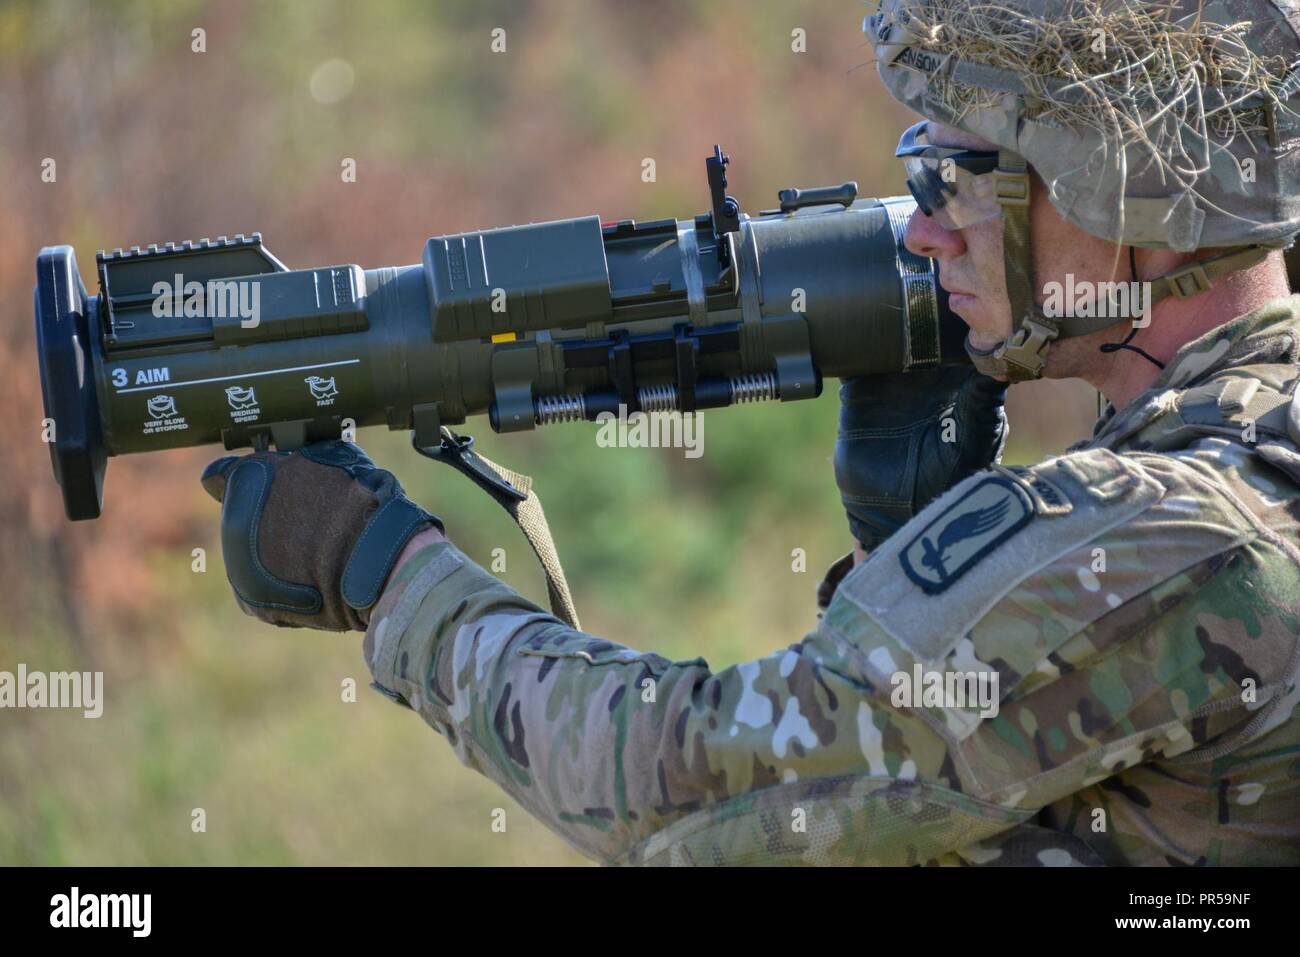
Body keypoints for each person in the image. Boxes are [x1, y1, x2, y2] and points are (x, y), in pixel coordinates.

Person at [201, 0, 1300, 865]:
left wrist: (394, 578)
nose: (920, 230)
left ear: (1135, 212)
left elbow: (702, 794)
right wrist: (898, 547)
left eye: (962, 181)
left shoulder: (1167, 540)